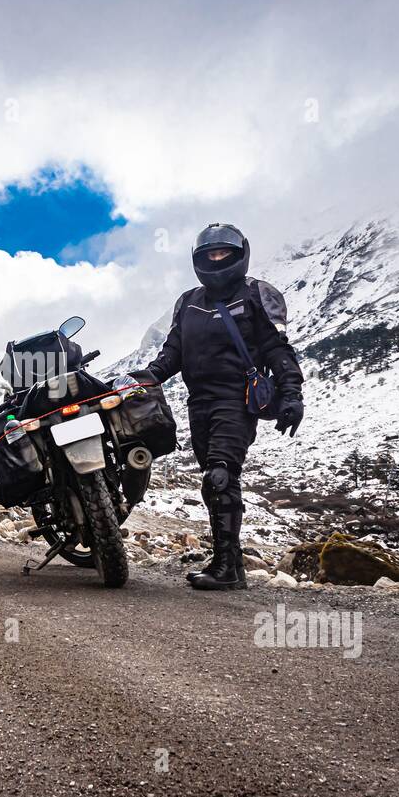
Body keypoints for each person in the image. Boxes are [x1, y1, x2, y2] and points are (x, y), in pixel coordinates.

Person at [132, 223, 304, 590]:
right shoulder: (188, 301)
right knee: (212, 482)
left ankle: (228, 568)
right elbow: (172, 352)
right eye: (210, 254)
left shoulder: (257, 294)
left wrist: (292, 394)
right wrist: (144, 379)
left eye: (223, 253)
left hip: (237, 400)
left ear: (239, 255)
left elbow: (277, 348)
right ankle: (230, 562)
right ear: (198, 259)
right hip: (198, 403)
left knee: (221, 473)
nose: (216, 258)